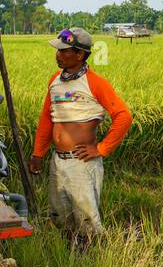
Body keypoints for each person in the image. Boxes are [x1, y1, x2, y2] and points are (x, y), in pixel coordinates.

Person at [27, 27, 132, 241]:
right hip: (58, 162)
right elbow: (47, 118)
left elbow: (124, 116)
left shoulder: (95, 83)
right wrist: (38, 153)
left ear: (80, 55)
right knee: (60, 218)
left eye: (64, 51)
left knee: (87, 222)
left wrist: (101, 148)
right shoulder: (55, 81)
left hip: (82, 164)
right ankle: (70, 258)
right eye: (57, 50)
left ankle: (95, 261)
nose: (58, 55)